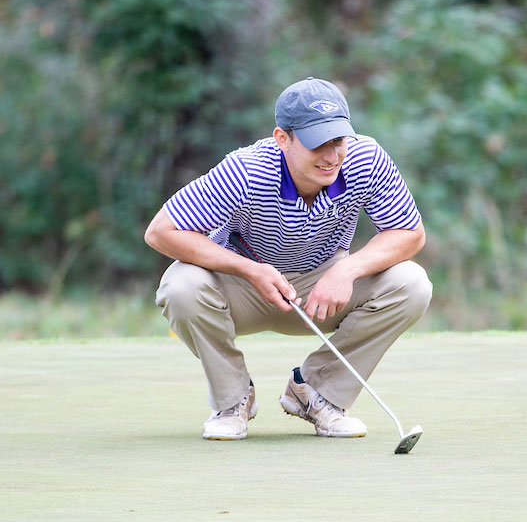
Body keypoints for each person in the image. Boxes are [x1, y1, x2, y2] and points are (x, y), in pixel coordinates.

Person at [145, 77, 432, 441]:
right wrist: (248, 269)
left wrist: (347, 269)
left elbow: (410, 232)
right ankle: (233, 401)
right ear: (283, 138)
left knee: (412, 284)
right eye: (317, 144)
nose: (331, 156)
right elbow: (161, 231)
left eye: (338, 141)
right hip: (242, 287)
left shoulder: (366, 159)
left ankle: (317, 393)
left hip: (320, 289)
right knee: (180, 286)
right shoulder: (246, 170)